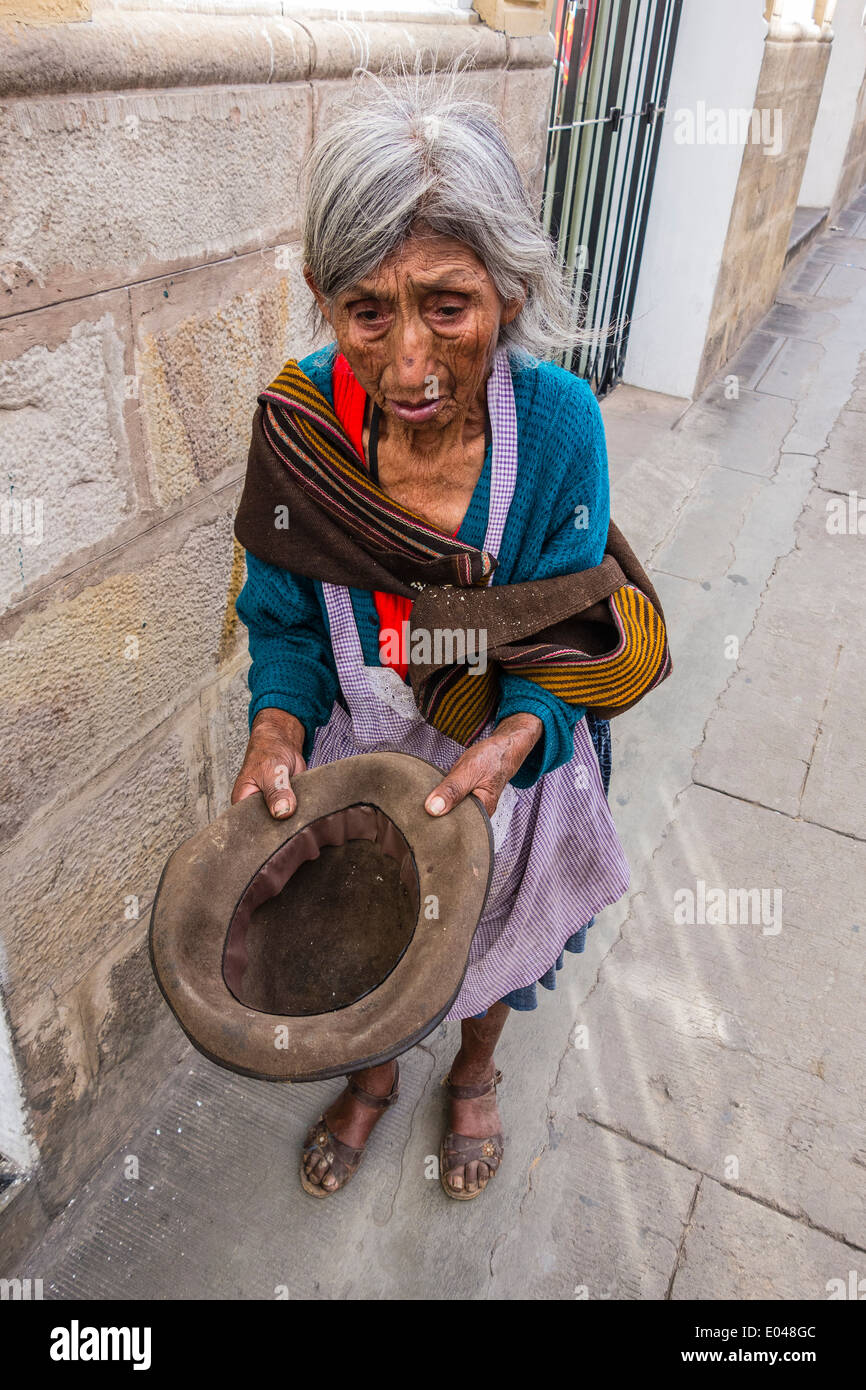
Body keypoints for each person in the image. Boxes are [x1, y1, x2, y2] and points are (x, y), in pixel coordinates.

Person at [232, 65, 631, 1201]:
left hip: (505, 753)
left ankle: (473, 1067)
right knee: (371, 944)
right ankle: (372, 1074)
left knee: (492, 931)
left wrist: (516, 740)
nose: (408, 364)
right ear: (323, 298)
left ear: (508, 289)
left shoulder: (559, 426)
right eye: (368, 313)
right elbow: (285, 624)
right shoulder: (300, 426)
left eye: (446, 307)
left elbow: (572, 636)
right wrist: (276, 729)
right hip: (360, 755)